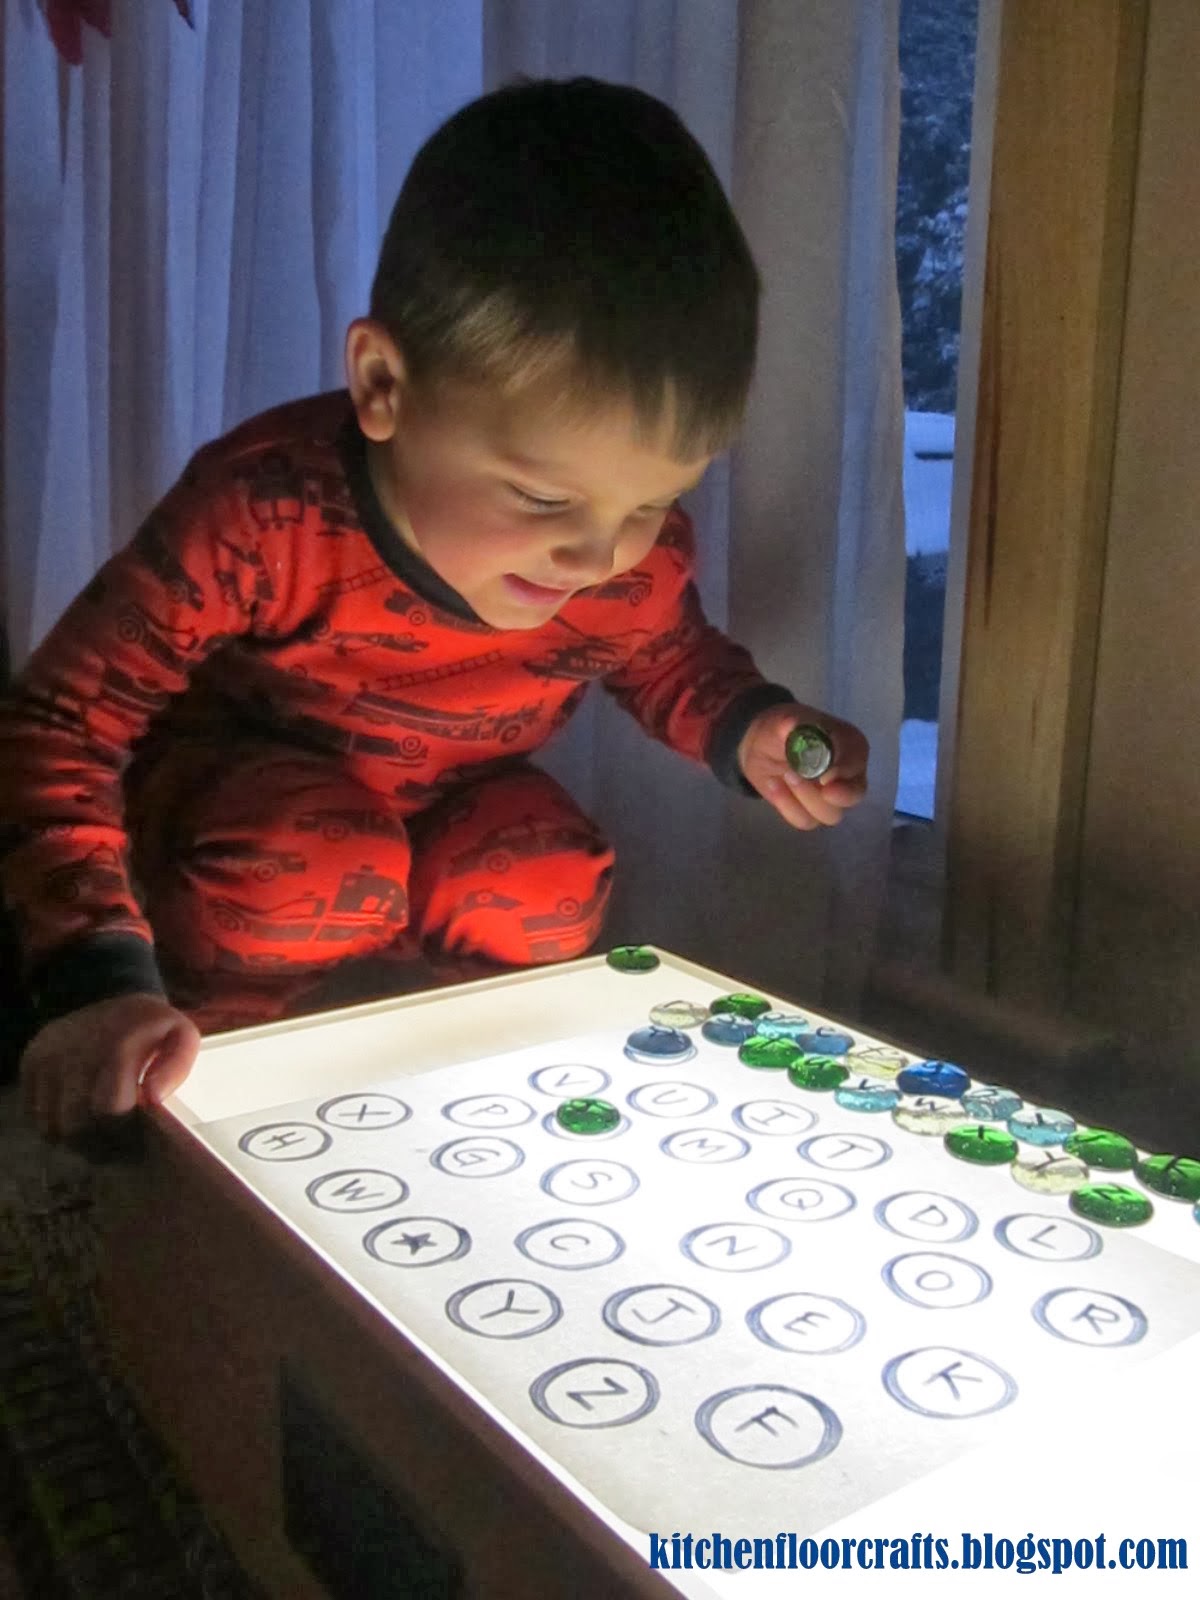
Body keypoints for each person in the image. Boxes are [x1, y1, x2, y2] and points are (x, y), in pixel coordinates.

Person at [0, 77, 868, 1141]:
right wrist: (94, 976)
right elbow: (60, 723)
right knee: (311, 857)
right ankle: (207, 1105)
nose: (599, 553)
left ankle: (460, 1100)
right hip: (239, 822)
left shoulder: (616, 562)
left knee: (546, 867)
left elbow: (659, 651)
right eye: (544, 498)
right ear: (382, 386)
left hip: (454, 808)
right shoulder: (262, 510)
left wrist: (749, 725)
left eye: (655, 500)